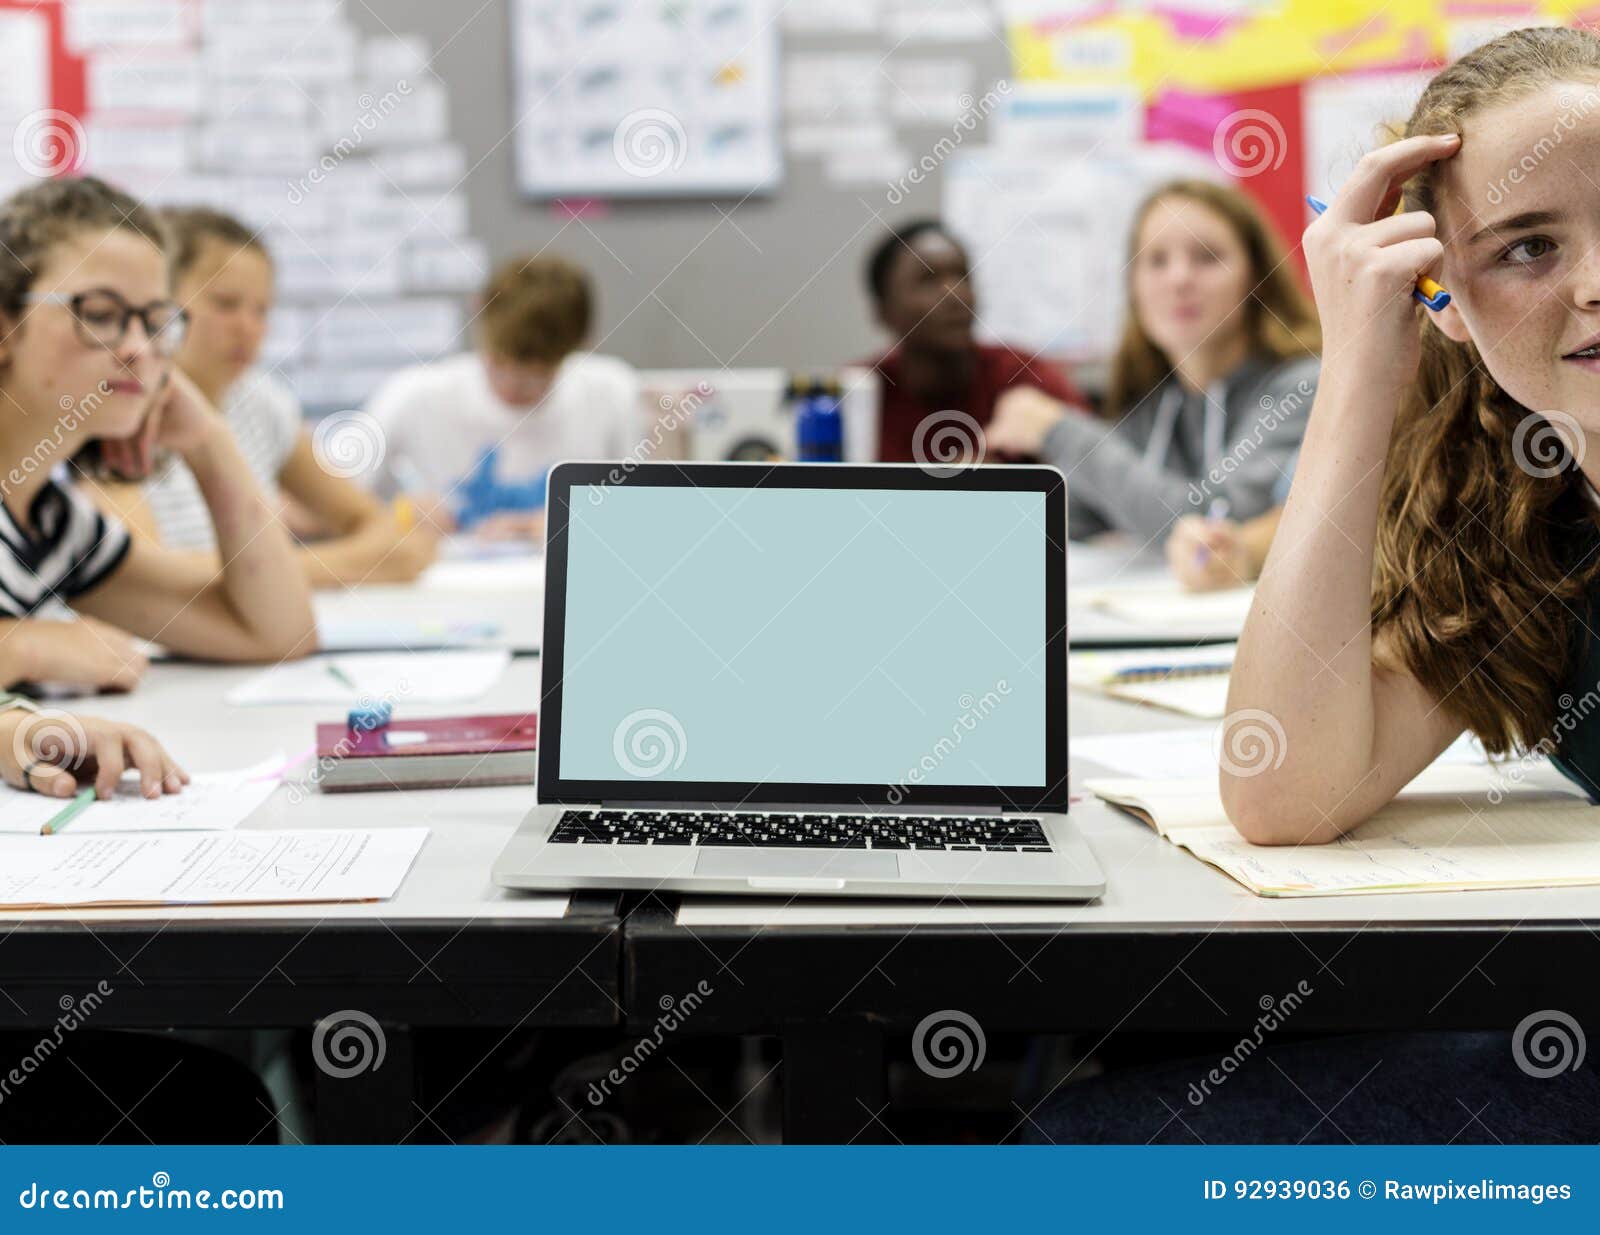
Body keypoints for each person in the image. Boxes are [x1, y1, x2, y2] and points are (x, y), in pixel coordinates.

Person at [1034, 26, 1600, 1147]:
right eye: (1527, 248)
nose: (1595, 285)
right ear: (1440, 292)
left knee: (1088, 1150)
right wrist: (1358, 366)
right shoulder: (1534, 527)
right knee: (1089, 1115)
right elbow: (1285, 792)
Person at [0, 176, 315, 694]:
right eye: (100, 314)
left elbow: (276, 632)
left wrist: (209, 442)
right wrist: (22, 645)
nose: (138, 349)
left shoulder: (52, 527)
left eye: (154, 322)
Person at [85, 207, 438, 589]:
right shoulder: (116, 411)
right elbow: (149, 579)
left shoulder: (262, 401)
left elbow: (386, 535)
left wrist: (259, 574)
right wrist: (331, 565)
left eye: (262, 310)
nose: (248, 328)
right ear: (159, 301)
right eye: (225, 303)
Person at [985, 180, 1320, 560]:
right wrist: (997, 488)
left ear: (1257, 276)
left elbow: (1211, 523)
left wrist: (1057, 431)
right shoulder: (1157, 398)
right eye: (1156, 260)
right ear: (1134, 287)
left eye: (1207, 256)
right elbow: (1086, 514)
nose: (1179, 279)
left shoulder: (1304, 385)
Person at [366, 255, 640, 543]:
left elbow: (646, 514)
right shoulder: (412, 395)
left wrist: (569, 524)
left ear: (578, 347)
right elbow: (321, 511)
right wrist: (399, 515)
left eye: (538, 375)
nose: (512, 386)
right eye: (497, 362)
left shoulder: (611, 394)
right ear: (478, 313)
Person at [862, 220, 1090, 463]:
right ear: (883, 310)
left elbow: (1094, 469)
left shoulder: (1022, 376)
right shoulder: (860, 394)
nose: (955, 294)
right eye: (927, 280)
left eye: (962, 275)